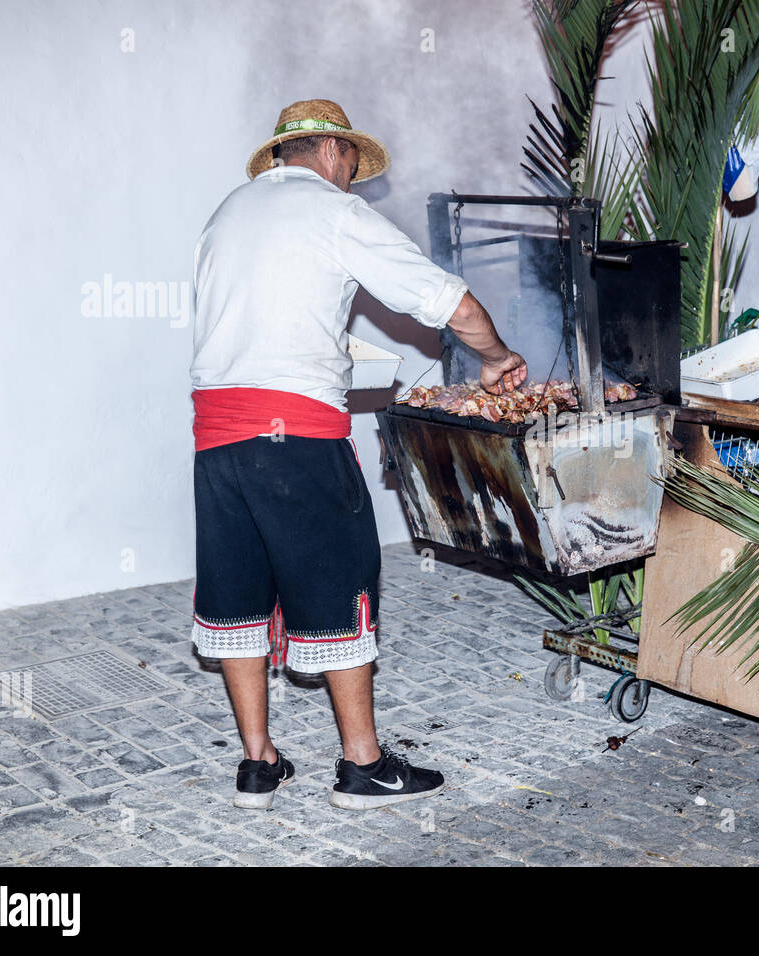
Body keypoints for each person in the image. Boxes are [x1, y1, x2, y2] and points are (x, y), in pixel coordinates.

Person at [189, 99, 526, 810]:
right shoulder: (334, 212)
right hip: (297, 436)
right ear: (335, 154)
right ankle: (364, 766)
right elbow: (450, 303)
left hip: (217, 440)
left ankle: (258, 764)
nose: (352, 179)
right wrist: (496, 357)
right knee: (341, 581)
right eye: (351, 167)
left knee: (239, 593)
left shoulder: (227, 213)